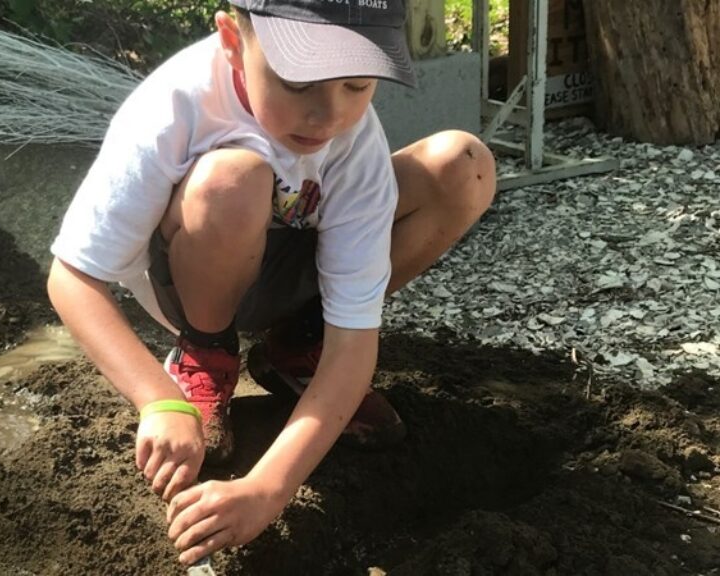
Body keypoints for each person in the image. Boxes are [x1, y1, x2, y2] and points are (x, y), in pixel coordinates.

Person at [47, 0, 496, 565]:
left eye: (357, 85)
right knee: (234, 178)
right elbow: (72, 276)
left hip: (290, 269)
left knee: (463, 163)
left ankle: (298, 344)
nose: (327, 116)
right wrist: (158, 402)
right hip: (200, 276)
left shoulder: (354, 144)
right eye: (298, 83)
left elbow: (355, 344)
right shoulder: (178, 105)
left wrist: (268, 488)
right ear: (233, 41)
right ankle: (205, 356)